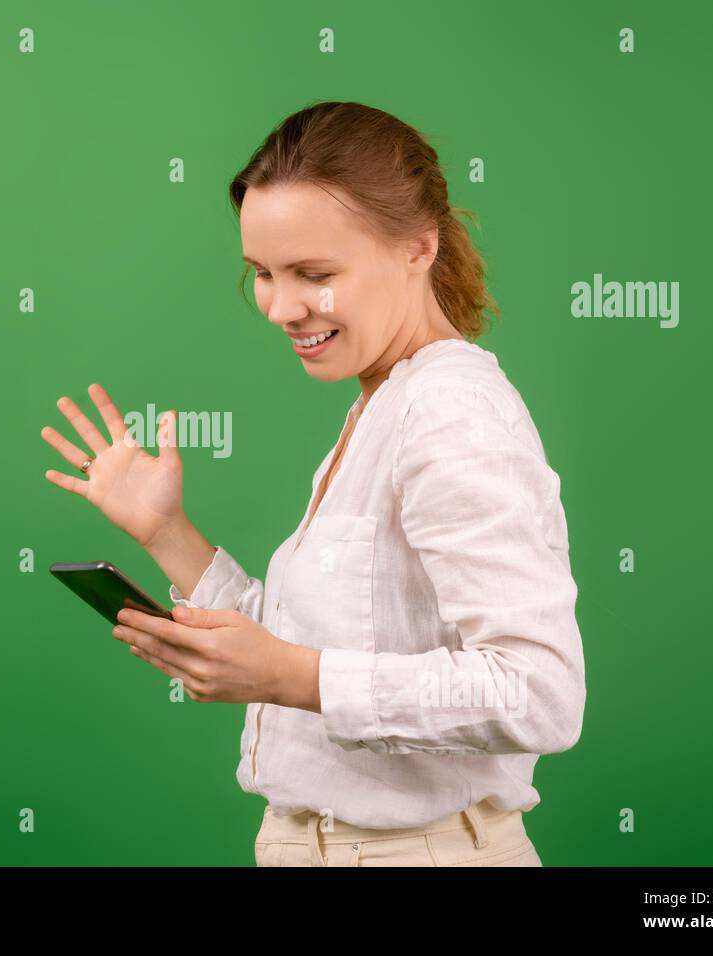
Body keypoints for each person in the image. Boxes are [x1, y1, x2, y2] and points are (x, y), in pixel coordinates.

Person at [39, 101, 586, 866]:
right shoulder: (383, 404)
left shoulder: (449, 409)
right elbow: (307, 651)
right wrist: (167, 531)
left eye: (315, 275)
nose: (281, 307)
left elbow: (537, 693)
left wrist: (294, 676)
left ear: (418, 247)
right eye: (261, 274)